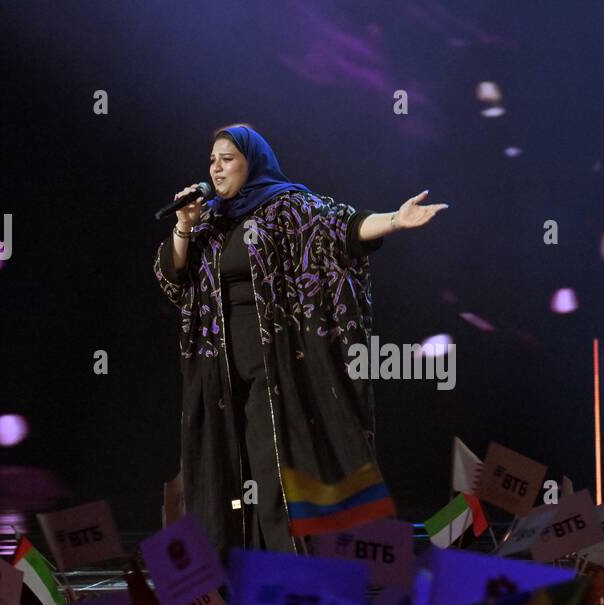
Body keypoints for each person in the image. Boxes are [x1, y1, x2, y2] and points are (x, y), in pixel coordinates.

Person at [153, 124, 447, 556]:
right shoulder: (208, 220)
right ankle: (236, 574)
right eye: (212, 160)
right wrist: (183, 226)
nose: (216, 168)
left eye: (227, 158)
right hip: (217, 372)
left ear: (251, 162)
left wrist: (395, 221)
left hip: (277, 365)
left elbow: (342, 228)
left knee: (275, 470)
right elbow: (172, 276)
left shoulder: (286, 207)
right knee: (227, 472)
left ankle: (289, 570)